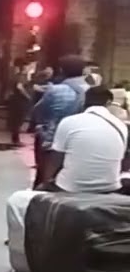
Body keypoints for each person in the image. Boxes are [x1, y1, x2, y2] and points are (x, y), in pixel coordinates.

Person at [40, 85, 129, 194]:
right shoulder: (121, 126)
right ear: (109, 103)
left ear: (84, 102)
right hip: (110, 187)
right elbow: (121, 158)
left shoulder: (69, 122)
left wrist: (45, 182)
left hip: (70, 187)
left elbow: (56, 159)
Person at [30, 55, 89, 188]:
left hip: (52, 140)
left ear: (62, 70)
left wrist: (42, 127)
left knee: (44, 178)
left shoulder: (55, 90)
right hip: (79, 142)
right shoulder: (91, 91)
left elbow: (38, 112)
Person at [5, 59, 32, 146]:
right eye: (28, 66)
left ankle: (15, 139)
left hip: (16, 100)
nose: (30, 67)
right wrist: (27, 96)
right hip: (20, 100)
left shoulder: (18, 75)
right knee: (18, 119)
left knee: (16, 119)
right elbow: (19, 87)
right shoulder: (22, 76)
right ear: (24, 67)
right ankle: (16, 139)